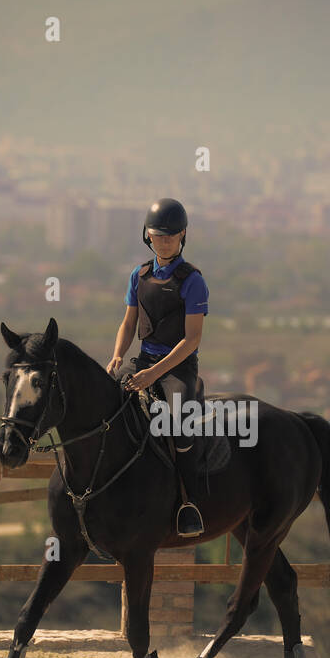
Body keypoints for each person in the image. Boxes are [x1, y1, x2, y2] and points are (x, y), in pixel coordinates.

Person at [107, 198, 210, 537]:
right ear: (147, 236)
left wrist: (154, 374)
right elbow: (128, 322)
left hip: (177, 367)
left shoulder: (193, 280)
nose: (164, 241)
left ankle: (189, 502)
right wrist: (118, 356)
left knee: (178, 423)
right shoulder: (139, 276)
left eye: (170, 236)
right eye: (157, 235)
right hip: (143, 360)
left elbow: (191, 339)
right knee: (107, 404)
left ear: (182, 236)